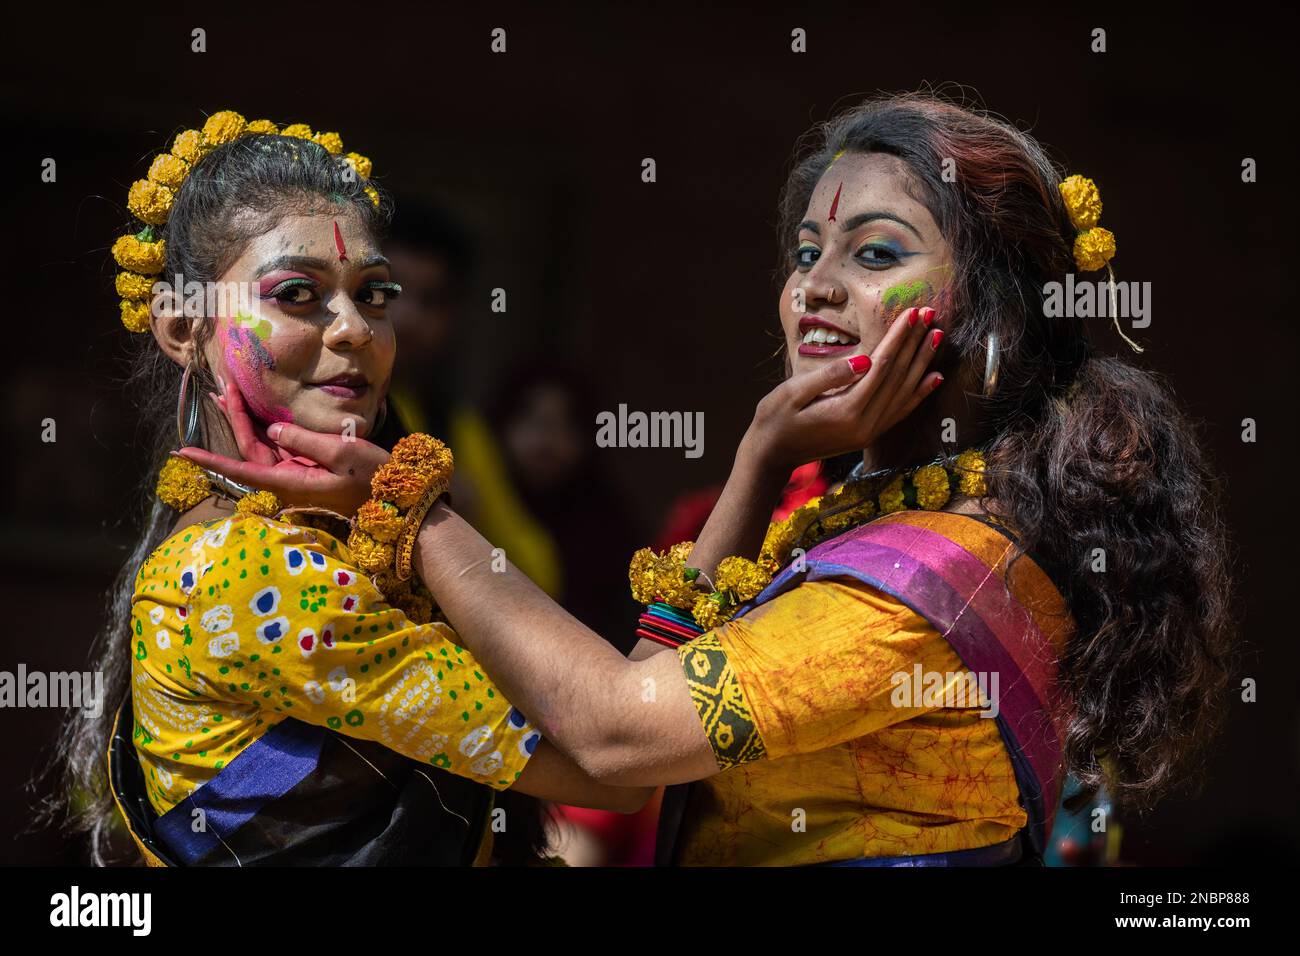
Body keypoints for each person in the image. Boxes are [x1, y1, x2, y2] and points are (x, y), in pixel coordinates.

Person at [192, 93, 1237, 866]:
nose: (814, 286)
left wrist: (407, 507)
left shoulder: (939, 574)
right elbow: (652, 683)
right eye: (805, 249)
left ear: (988, 320)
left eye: (875, 254)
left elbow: (615, 732)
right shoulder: (863, 520)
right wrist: (759, 460)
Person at [54, 111, 649, 867]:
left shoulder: (278, 535)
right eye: (298, 294)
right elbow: (620, 759)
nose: (355, 329)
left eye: (374, 293)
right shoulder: (255, 567)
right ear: (184, 331)